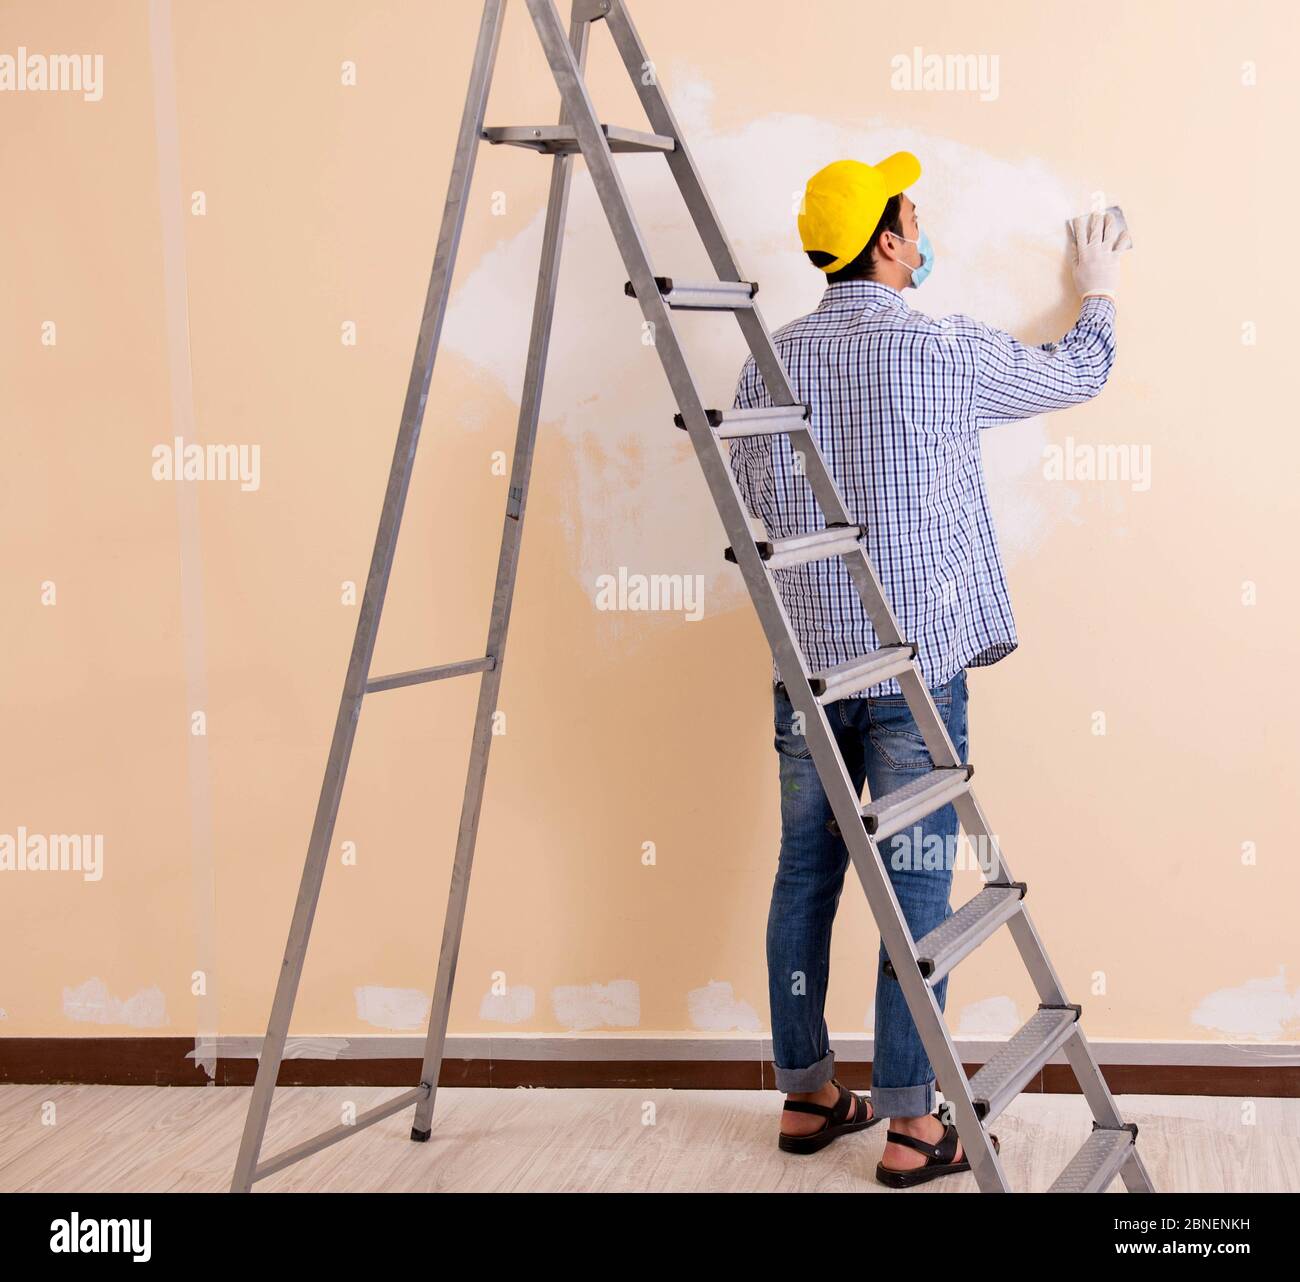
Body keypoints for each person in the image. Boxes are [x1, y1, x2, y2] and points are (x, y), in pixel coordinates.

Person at [728, 152, 1130, 1186]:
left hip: (808, 672)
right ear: (891, 243)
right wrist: (1100, 295)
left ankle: (808, 1094)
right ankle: (913, 1127)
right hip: (911, 672)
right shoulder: (938, 351)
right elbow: (1076, 373)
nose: (924, 225)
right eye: (913, 214)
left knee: (804, 873)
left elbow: (757, 504)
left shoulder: (768, 362)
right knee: (914, 889)